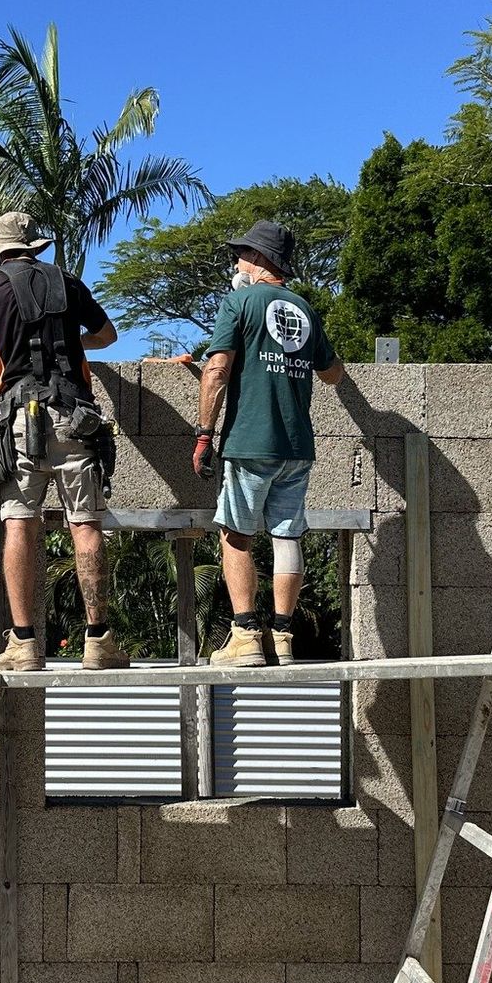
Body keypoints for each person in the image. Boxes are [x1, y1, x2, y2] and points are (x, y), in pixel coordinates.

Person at [0, 211, 130, 672]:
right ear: (35, 247)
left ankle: (23, 644)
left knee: (19, 524)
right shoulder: (68, 283)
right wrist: (70, 346)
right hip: (76, 416)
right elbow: (106, 335)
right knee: (86, 525)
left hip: (22, 419)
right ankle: (98, 641)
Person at [193, 219, 344, 666]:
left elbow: (217, 370)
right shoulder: (304, 309)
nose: (236, 262)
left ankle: (245, 635)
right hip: (297, 446)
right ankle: (282, 635)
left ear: (258, 261)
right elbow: (333, 374)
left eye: (242, 254)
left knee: (235, 534)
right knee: (286, 535)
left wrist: (204, 433)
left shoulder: (239, 302)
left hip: (250, 442)